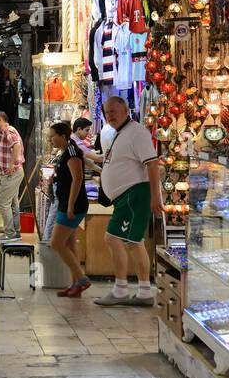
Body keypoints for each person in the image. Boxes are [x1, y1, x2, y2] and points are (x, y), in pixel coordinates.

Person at [94, 95, 164, 306]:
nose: (110, 116)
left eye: (114, 111)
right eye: (107, 112)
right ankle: (143, 292)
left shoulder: (137, 132)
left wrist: (155, 197)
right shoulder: (121, 133)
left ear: (126, 110)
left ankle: (121, 289)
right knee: (133, 242)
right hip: (127, 197)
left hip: (135, 195)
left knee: (113, 239)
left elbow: (152, 165)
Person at [47, 121, 92, 297]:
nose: (50, 139)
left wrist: (71, 205)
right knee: (70, 244)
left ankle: (81, 279)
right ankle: (76, 285)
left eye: (53, 136)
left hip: (73, 205)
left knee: (56, 243)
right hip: (66, 202)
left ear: (63, 136)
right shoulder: (65, 152)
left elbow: (78, 178)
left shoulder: (72, 152)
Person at [0, 110, 25, 240]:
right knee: (13, 203)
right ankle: (15, 231)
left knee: (3, 203)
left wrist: (11, 164)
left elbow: (16, 145)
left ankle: (10, 233)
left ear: (1, 119)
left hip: (12, 173)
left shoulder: (7, 131)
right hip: (13, 173)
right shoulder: (5, 132)